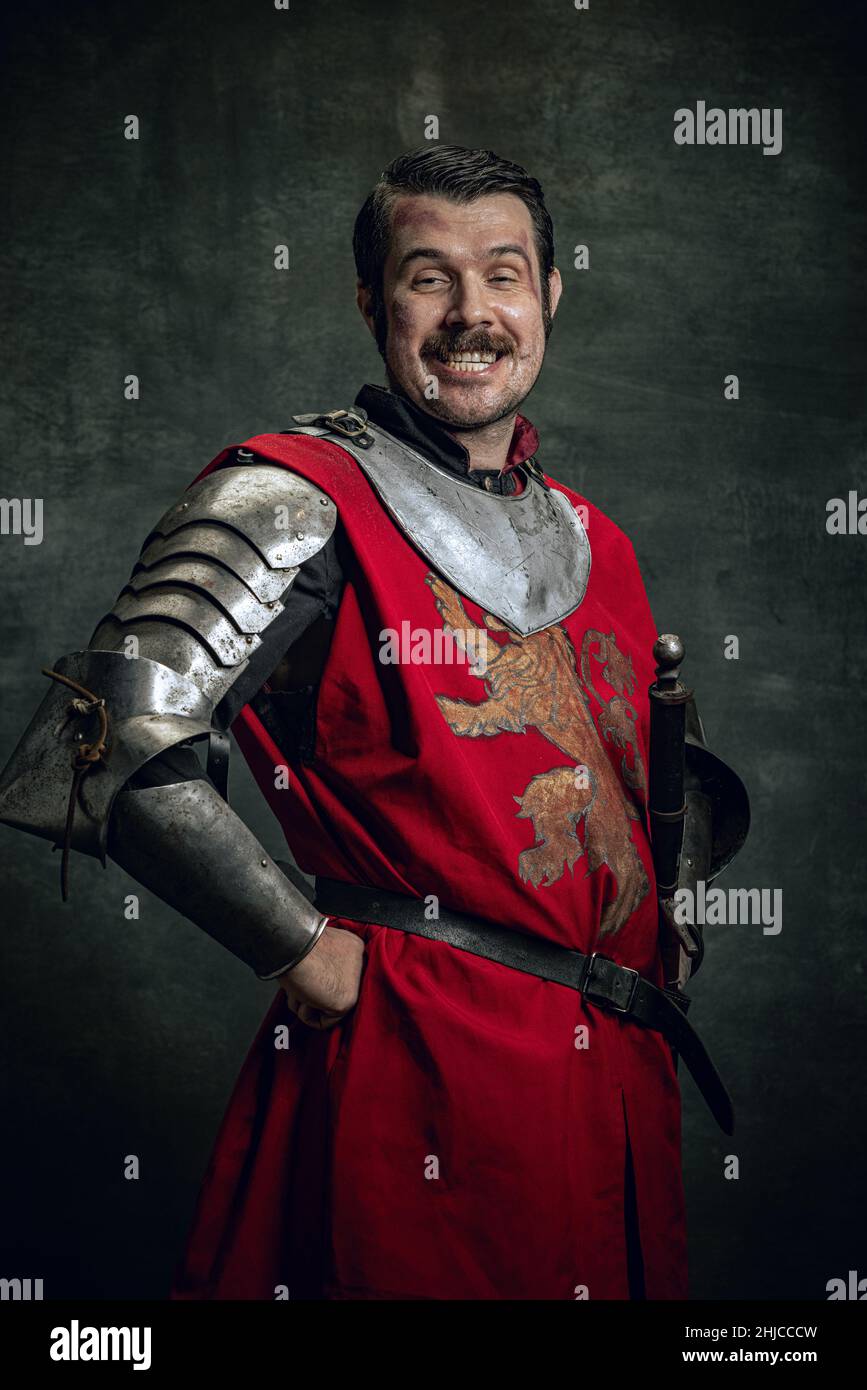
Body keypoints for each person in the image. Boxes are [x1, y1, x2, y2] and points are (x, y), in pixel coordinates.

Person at [0, 144, 747, 1300]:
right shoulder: (296, 496)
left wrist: (675, 916)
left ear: (549, 295)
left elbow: (649, 778)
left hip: (610, 1091)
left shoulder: (597, 541)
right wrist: (299, 945)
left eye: (503, 274)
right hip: (419, 1067)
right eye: (426, 276)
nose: (472, 314)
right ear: (370, 302)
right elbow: (97, 740)